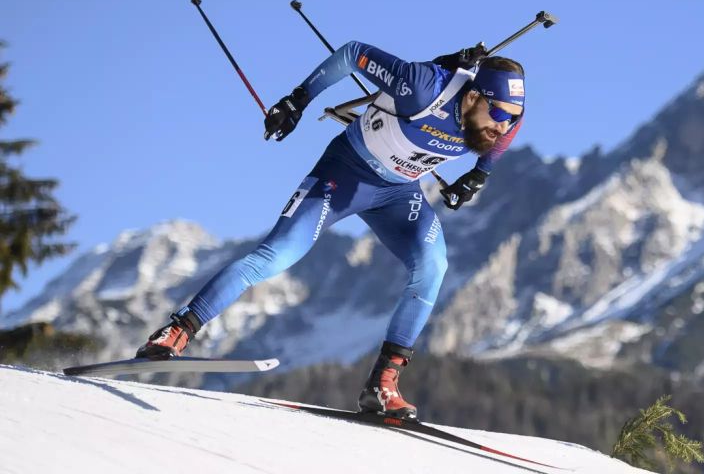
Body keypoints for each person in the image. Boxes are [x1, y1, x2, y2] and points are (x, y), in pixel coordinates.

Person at [135, 40, 526, 420]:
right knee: (277, 255)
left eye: (512, 116)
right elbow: (353, 53)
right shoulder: (422, 88)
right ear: (473, 96)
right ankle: (177, 330)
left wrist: (479, 174)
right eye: (499, 114)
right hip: (343, 175)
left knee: (433, 266)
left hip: (398, 194)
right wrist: (297, 100)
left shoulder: (499, 118)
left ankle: (382, 384)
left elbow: (508, 130)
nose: (503, 125)